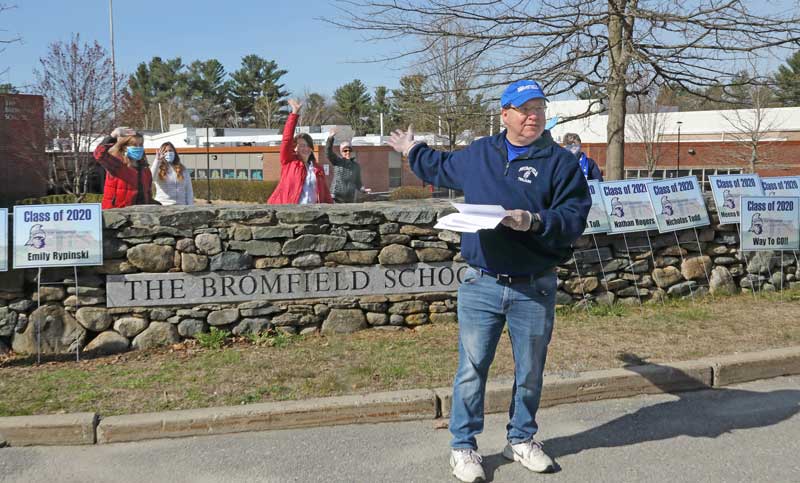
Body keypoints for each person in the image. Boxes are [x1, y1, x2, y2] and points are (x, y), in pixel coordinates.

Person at [388, 79, 590, 482]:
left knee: (530, 370)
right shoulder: (482, 153)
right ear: (505, 115)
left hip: (534, 285)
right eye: (524, 109)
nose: (533, 116)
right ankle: (463, 448)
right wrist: (412, 150)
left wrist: (532, 220)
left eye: (539, 108)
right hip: (481, 283)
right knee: (471, 369)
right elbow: (441, 166)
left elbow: (574, 218)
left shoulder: (560, 163)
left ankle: (521, 439)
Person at [267, 98, 333, 204]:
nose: (305, 148)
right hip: (290, 211)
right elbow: (286, 140)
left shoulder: (318, 169)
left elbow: (325, 194)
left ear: (311, 148)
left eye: (307, 145)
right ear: (295, 148)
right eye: (301, 145)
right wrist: (294, 113)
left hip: (312, 213)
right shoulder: (289, 162)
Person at [93, 127, 153, 209]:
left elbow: (148, 193)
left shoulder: (145, 169)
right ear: (125, 147)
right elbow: (99, 155)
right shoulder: (117, 164)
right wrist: (112, 136)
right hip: (116, 212)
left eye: (140, 145)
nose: (138, 148)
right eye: (134, 145)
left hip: (139, 214)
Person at [325, 129, 371, 203]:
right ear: (341, 152)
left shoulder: (356, 166)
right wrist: (330, 139)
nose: (347, 152)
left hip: (350, 199)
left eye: (349, 150)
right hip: (336, 198)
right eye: (345, 150)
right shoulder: (337, 161)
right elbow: (328, 152)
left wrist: (363, 190)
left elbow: (358, 183)